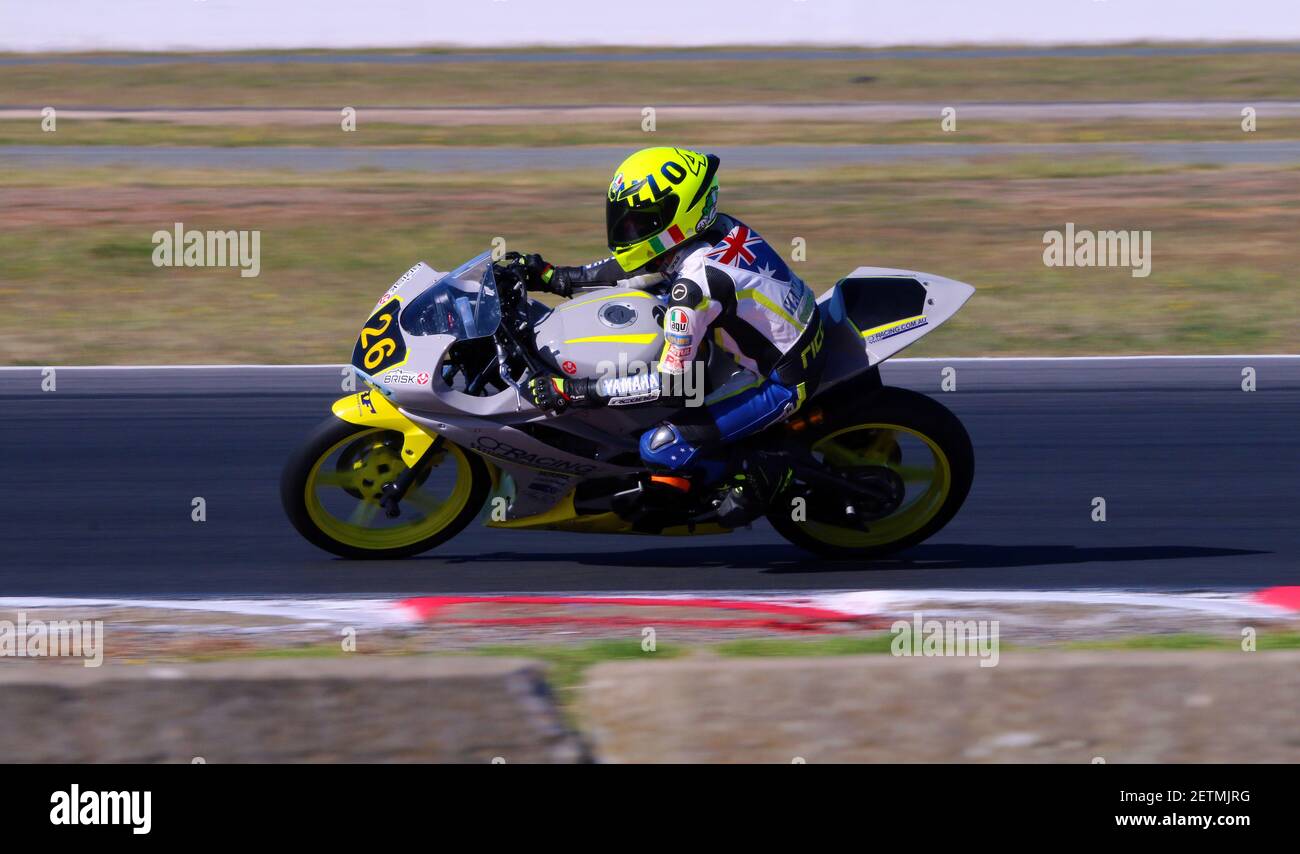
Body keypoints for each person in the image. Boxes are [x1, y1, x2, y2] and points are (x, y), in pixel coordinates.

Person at [512, 146, 827, 524]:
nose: (626, 230)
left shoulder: (693, 290)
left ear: (678, 218)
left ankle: (770, 470)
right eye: (622, 219)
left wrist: (576, 392)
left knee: (660, 445)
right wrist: (556, 276)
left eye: (637, 222)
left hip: (780, 380)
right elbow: (645, 268)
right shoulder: (718, 228)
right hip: (773, 337)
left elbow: (670, 385)